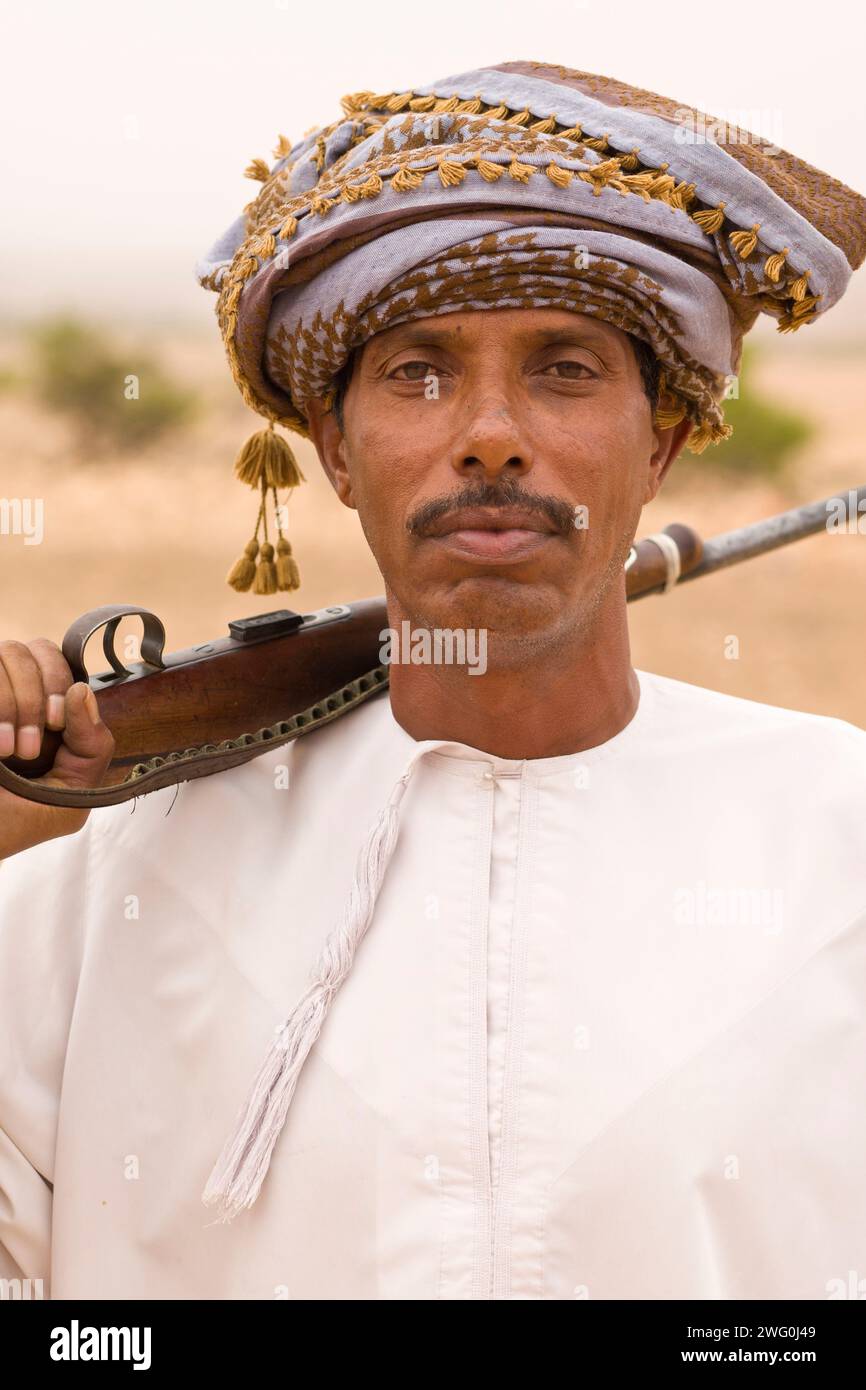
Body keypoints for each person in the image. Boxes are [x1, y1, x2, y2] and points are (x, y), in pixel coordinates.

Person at [1, 60, 865, 1301]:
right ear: (337, 451)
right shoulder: (94, 875)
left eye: (565, 369)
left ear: (663, 439)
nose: (489, 431)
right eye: (417, 373)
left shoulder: (830, 834)